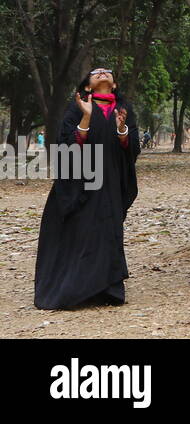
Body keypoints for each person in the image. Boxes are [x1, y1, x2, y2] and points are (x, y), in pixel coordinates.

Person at [34, 67, 139, 309]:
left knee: (108, 230)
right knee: (81, 230)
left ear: (113, 85)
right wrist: (86, 118)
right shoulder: (77, 107)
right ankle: (75, 289)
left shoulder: (123, 110)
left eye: (108, 72)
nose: (103, 73)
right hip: (81, 181)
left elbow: (132, 147)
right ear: (88, 86)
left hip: (111, 180)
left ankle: (107, 289)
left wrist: (121, 129)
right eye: (96, 72)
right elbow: (67, 146)